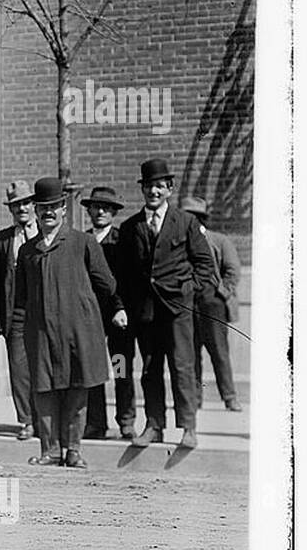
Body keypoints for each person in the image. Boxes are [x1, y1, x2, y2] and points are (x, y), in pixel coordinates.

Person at [13, 177, 126, 469]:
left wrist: (87, 308)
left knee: (78, 388)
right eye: (42, 208)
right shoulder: (28, 251)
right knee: (44, 390)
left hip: (78, 331)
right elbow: (21, 298)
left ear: (63, 208)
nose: (48, 212)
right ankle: (50, 450)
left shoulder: (82, 242)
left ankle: (74, 450)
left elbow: (108, 283)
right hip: (41, 331)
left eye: (54, 207)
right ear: (36, 212)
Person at [116, 158, 217, 449]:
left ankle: (188, 427)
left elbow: (205, 265)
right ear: (143, 189)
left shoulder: (186, 222)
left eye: (160, 186)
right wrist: (125, 305)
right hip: (145, 311)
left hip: (177, 310)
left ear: (169, 189)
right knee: (150, 369)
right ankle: (154, 425)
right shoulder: (131, 227)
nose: (154, 191)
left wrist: (188, 292)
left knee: (182, 367)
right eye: (149, 186)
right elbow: (122, 274)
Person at [82, 185, 137, 438]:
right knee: (93, 369)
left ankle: (126, 419)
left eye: (106, 208)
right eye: (96, 207)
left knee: (121, 367)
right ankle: (95, 422)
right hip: (90, 316)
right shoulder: (82, 240)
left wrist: (120, 308)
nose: (101, 211)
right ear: (89, 210)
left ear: (113, 212)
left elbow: (126, 280)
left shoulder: (122, 240)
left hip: (118, 316)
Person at [181, 196, 242, 412]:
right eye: (187, 217)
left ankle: (230, 397)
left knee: (219, 352)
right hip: (189, 303)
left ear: (202, 219)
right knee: (191, 354)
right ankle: (195, 399)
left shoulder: (219, 240)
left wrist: (221, 293)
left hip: (213, 303)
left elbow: (233, 270)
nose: (191, 222)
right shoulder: (180, 243)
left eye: (195, 217)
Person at [0, 180, 39, 441]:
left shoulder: (46, 233)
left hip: (43, 313)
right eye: (16, 204)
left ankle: (46, 420)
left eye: (26, 203)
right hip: (14, 313)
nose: (22, 208)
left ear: (34, 205)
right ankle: (27, 420)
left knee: (43, 367)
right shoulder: (3, 240)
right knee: (19, 369)